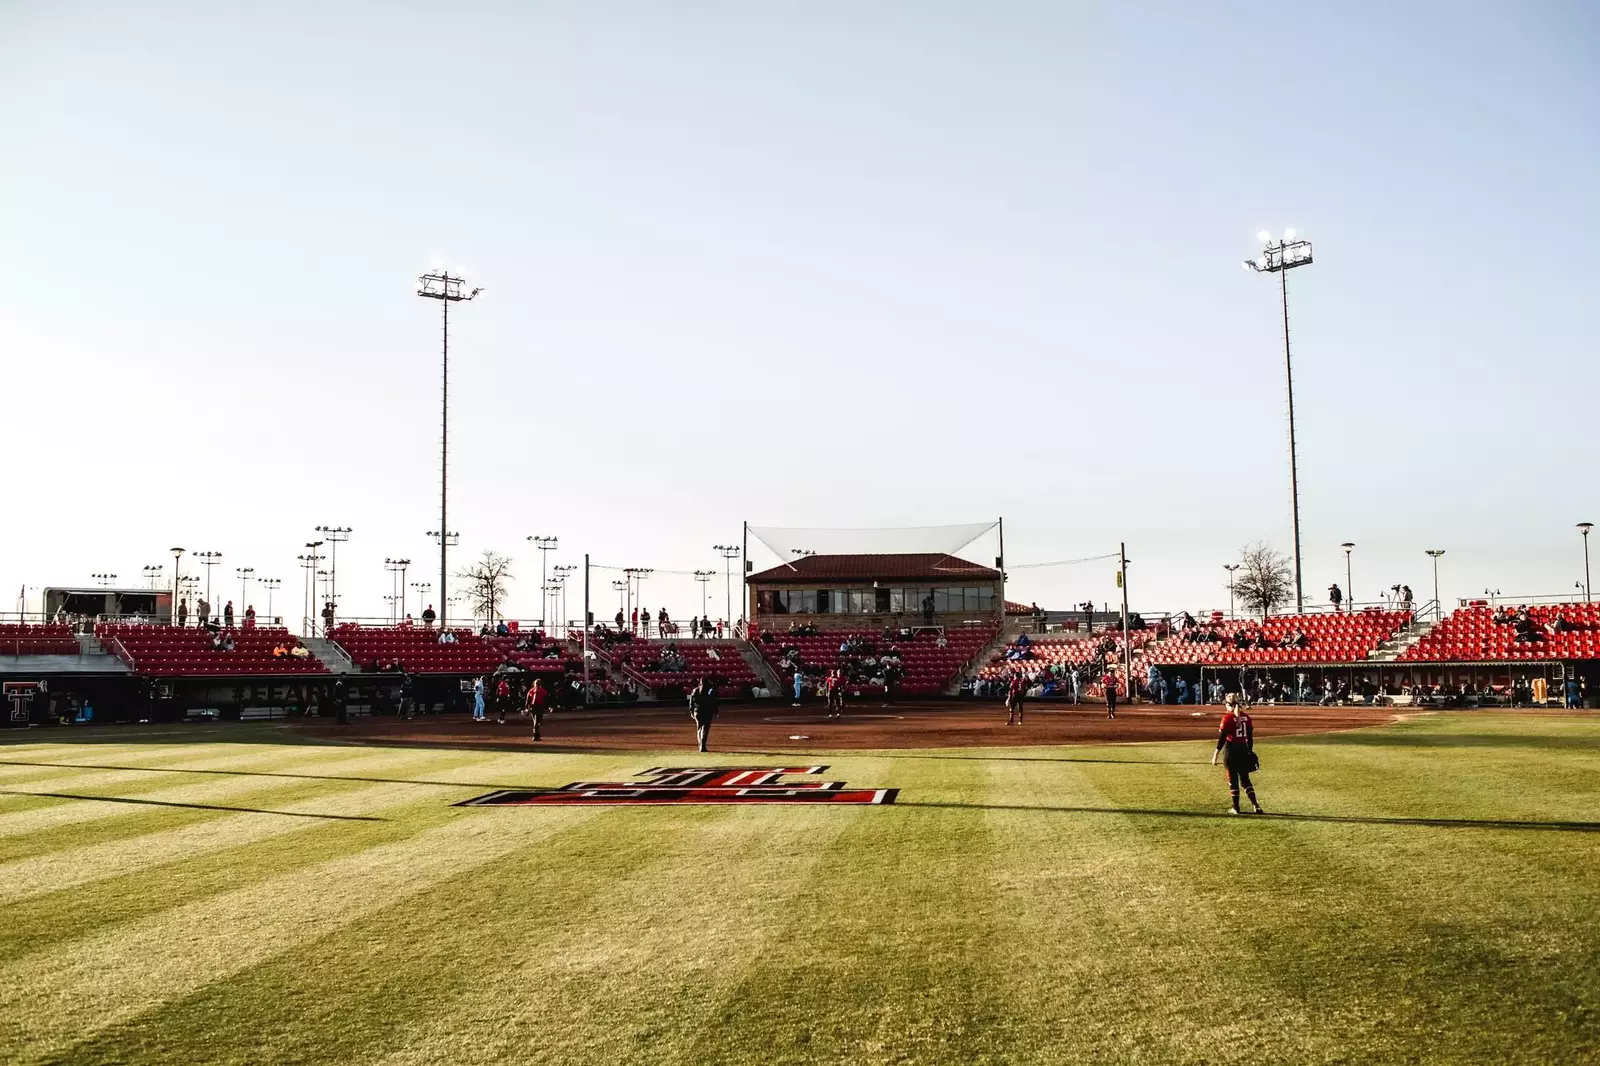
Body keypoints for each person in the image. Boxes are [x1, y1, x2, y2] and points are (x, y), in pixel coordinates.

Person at [1212, 693, 1264, 814]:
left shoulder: (1227, 718)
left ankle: (1236, 807)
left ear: (1228, 705)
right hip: (1243, 750)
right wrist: (1249, 751)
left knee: (1232, 780)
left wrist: (1215, 754)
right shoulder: (1247, 718)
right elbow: (1250, 739)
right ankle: (1256, 805)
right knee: (1245, 780)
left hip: (1231, 751)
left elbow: (1222, 739)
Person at [689, 678, 718, 752]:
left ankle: (700, 745)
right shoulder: (710, 690)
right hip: (707, 711)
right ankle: (703, 746)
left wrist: (692, 711)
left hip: (697, 712)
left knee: (699, 728)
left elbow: (691, 702)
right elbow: (714, 701)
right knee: (705, 729)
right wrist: (716, 712)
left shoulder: (695, 690)